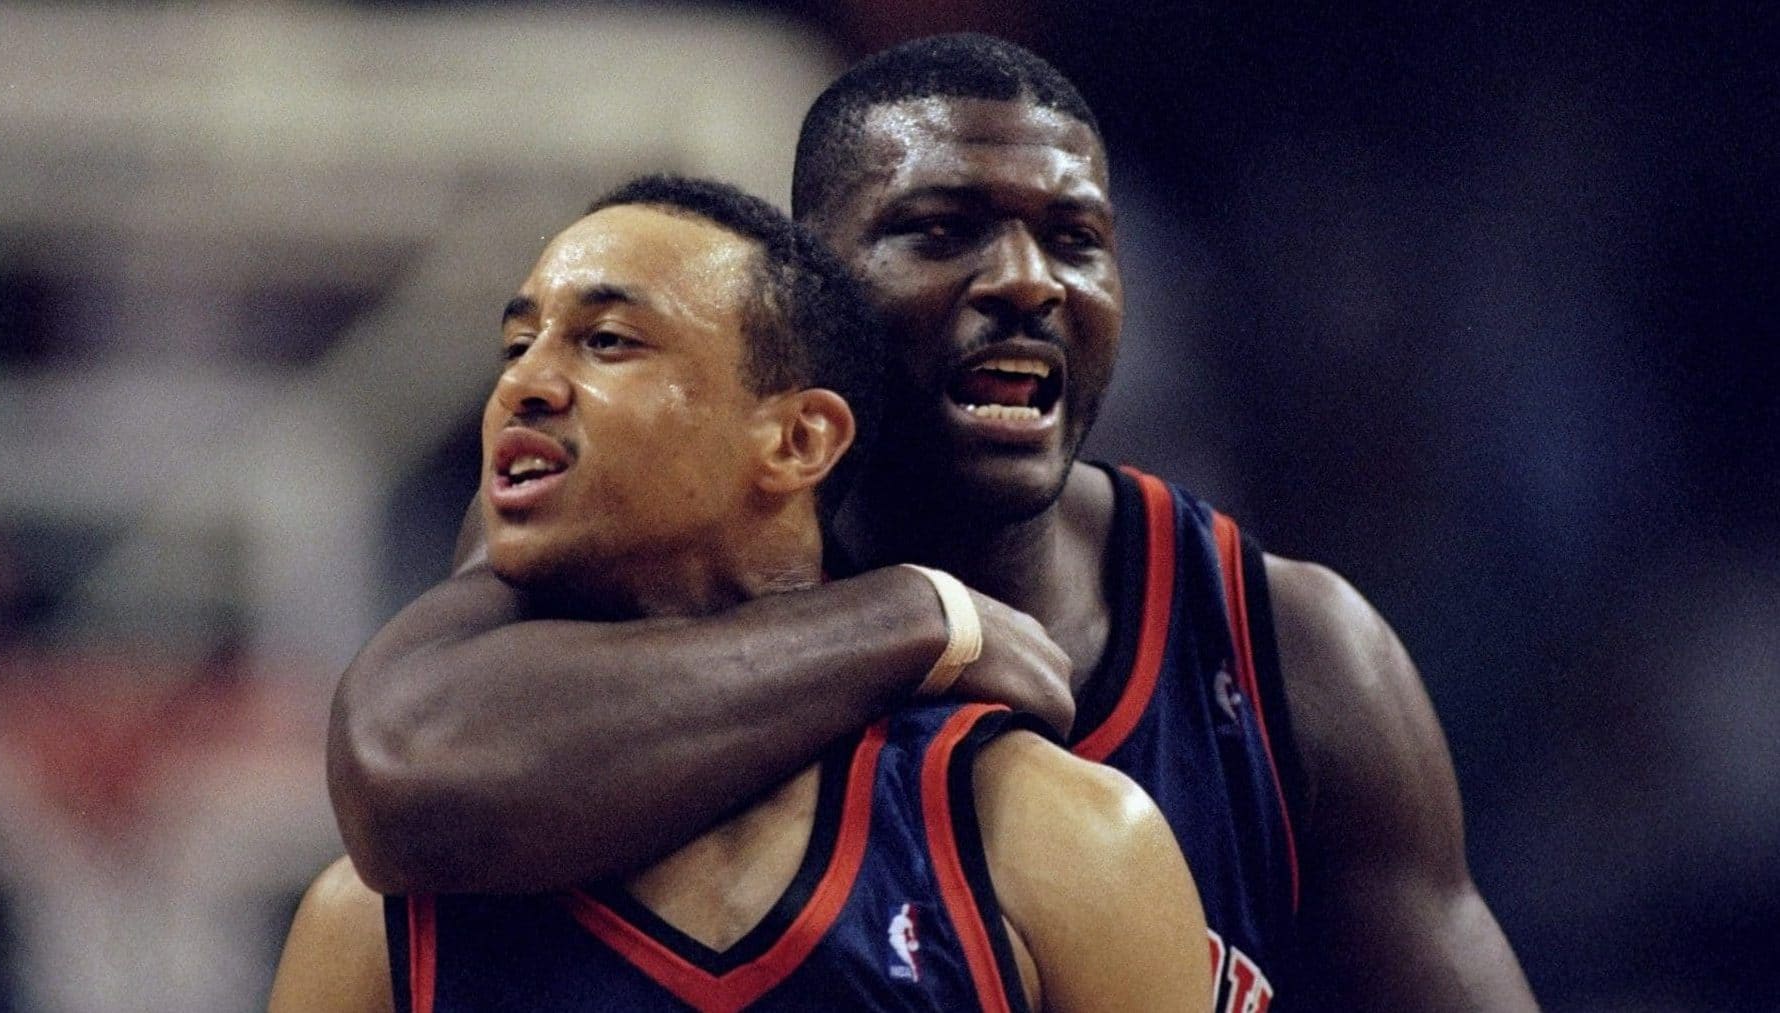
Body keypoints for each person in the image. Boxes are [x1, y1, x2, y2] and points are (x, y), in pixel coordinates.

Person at [327, 35, 1538, 1011]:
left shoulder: (1289, 646)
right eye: (941, 229)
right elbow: (402, 777)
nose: (1027, 280)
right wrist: (917, 622)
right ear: (809, 292)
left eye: (1076, 240)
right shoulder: (635, 537)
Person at [271, 175, 1212, 1011]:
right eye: (518, 342)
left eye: (606, 340)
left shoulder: (1057, 842)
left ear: (798, 441)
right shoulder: (374, 925)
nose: (525, 381)